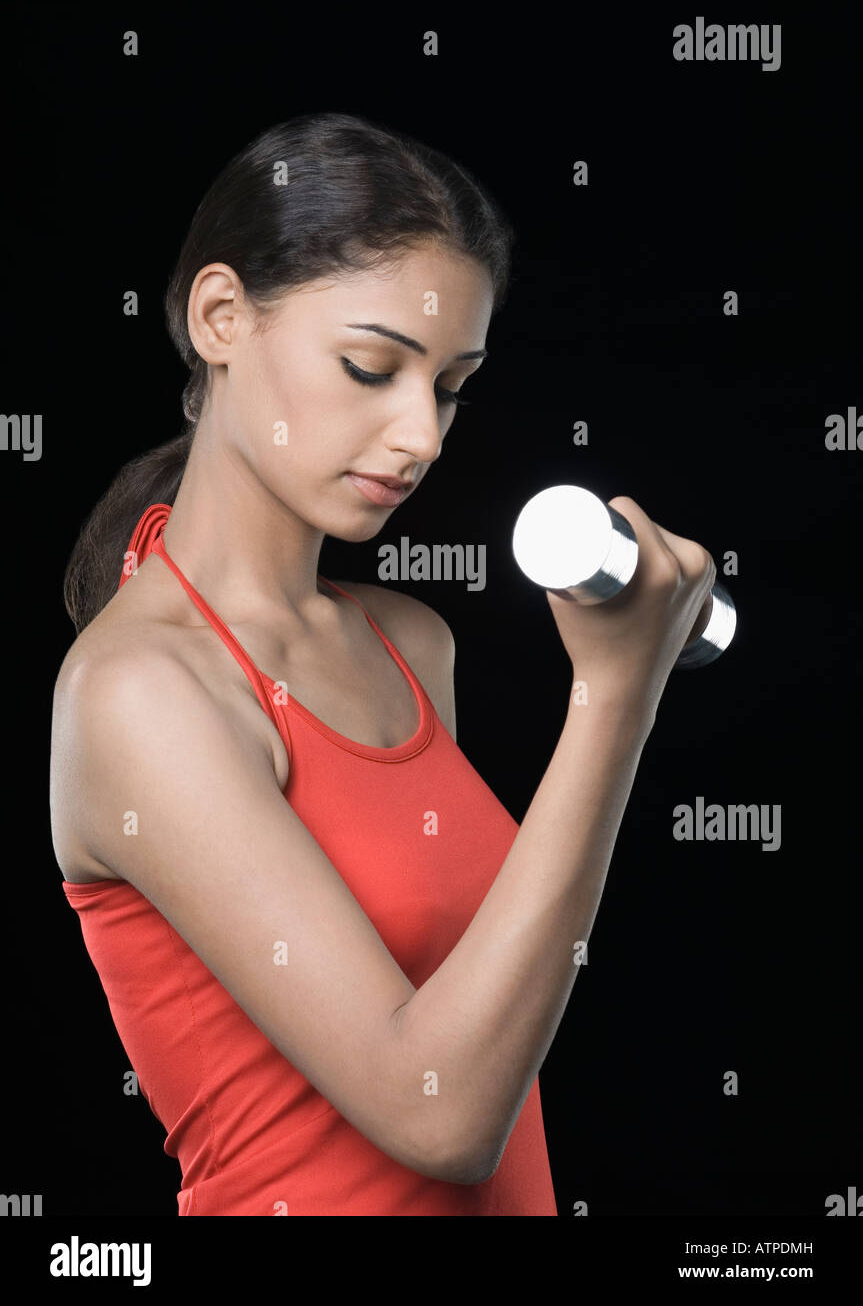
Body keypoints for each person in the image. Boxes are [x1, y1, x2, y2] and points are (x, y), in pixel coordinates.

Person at [50, 111, 716, 1216]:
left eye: (449, 386)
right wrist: (612, 695)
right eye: (371, 368)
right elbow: (439, 1114)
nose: (423, 436)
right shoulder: (138, 692)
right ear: (220, 317)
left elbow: (489, 1015)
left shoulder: (408, 643)